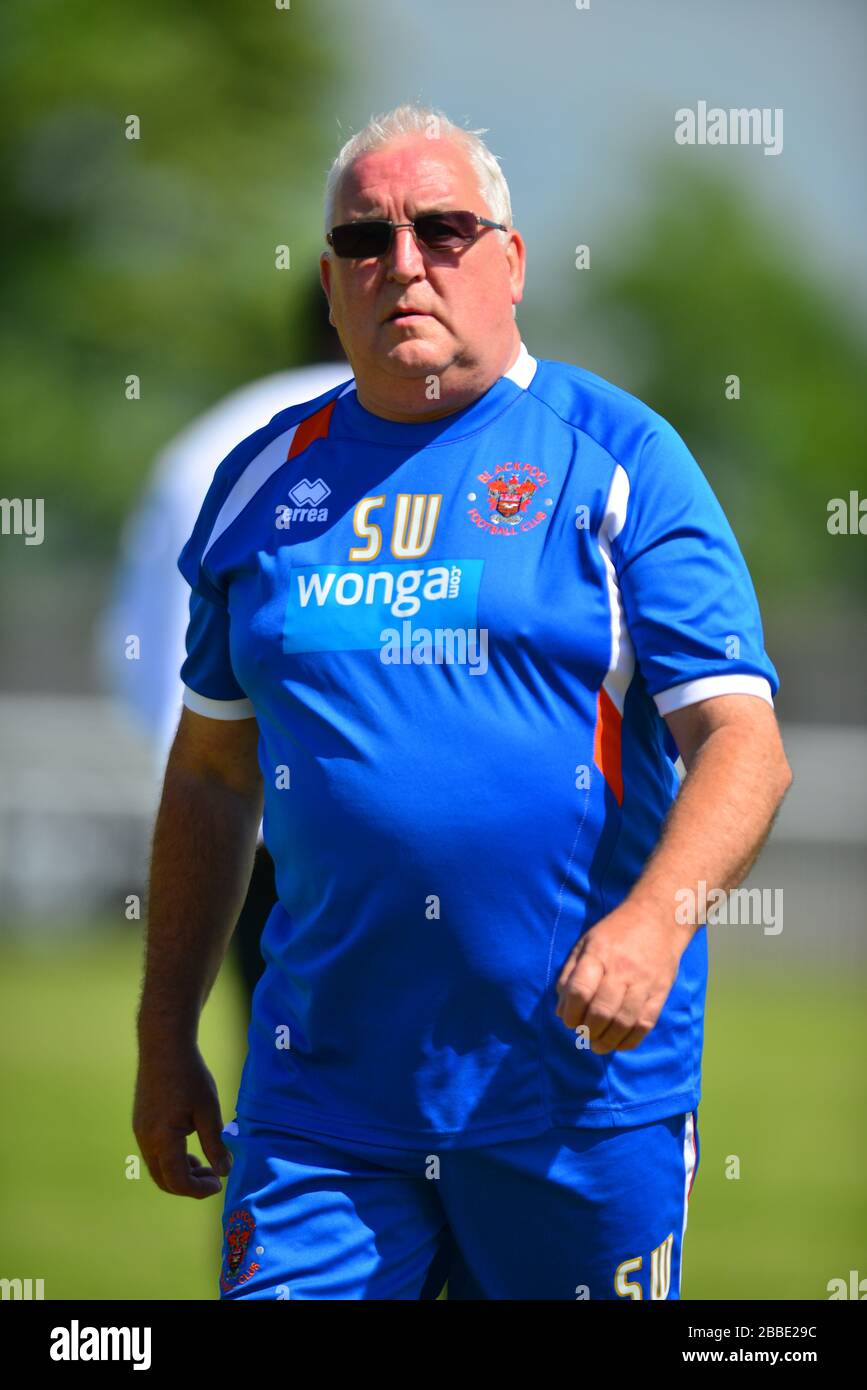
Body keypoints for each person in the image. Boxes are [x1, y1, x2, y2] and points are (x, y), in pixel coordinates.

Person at [133, 102, 792, 1301]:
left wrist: (655, 924)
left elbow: (743, 744)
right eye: (364, 241)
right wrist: (164, 1030)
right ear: (330, 285)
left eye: (443, 230)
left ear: (512, 260)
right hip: (322, 1097)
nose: (404, 265)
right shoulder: (258, 486)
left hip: (573, 1095)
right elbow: (210, 773)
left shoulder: (621, 460)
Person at [99, 277, 349, 1006]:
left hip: (226, 813)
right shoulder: (426, 427)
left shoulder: (213, 438)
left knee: (272, 1057)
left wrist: (188, 782)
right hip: (375, 814)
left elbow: (136, 641)